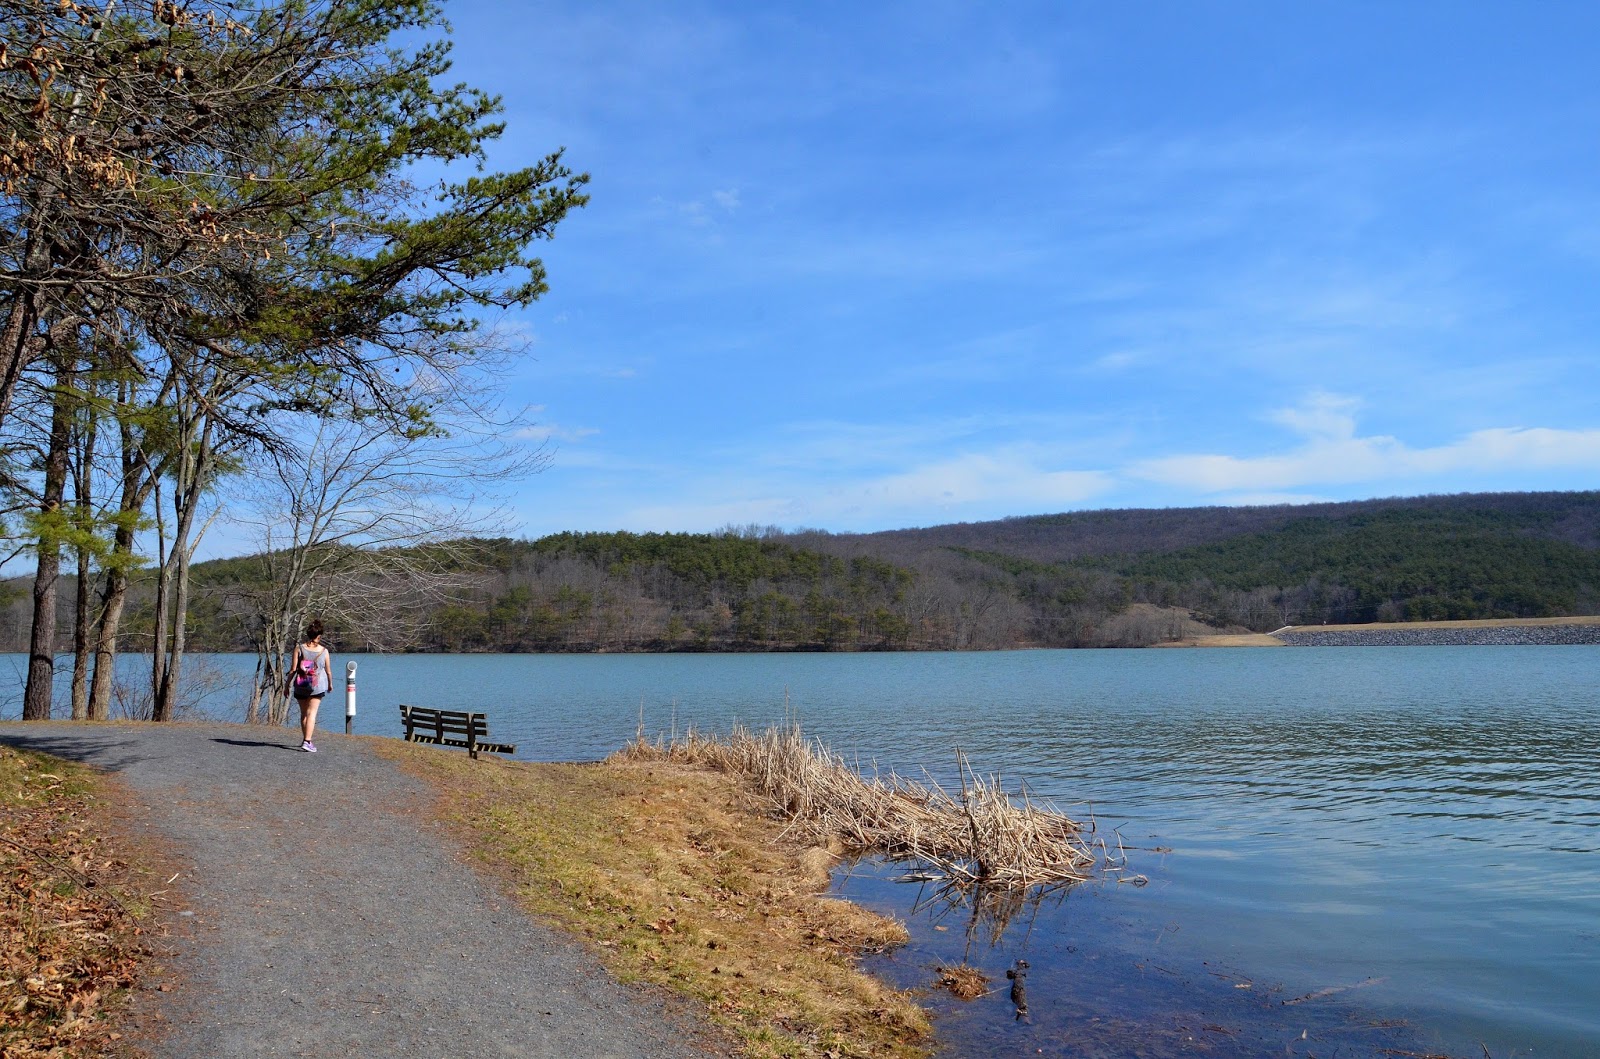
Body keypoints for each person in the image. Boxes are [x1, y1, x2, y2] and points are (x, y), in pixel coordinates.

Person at [286, 619, 333, 752]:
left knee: (303, 714)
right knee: (312, 713)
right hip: (316, 686)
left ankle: (305, 739)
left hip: (301, 684)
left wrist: (287, 685)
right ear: (319, 636)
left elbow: (293, 670)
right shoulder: (324, 651)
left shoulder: (299, 649)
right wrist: (330, 684)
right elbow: (328, 671)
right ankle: (307, 741)